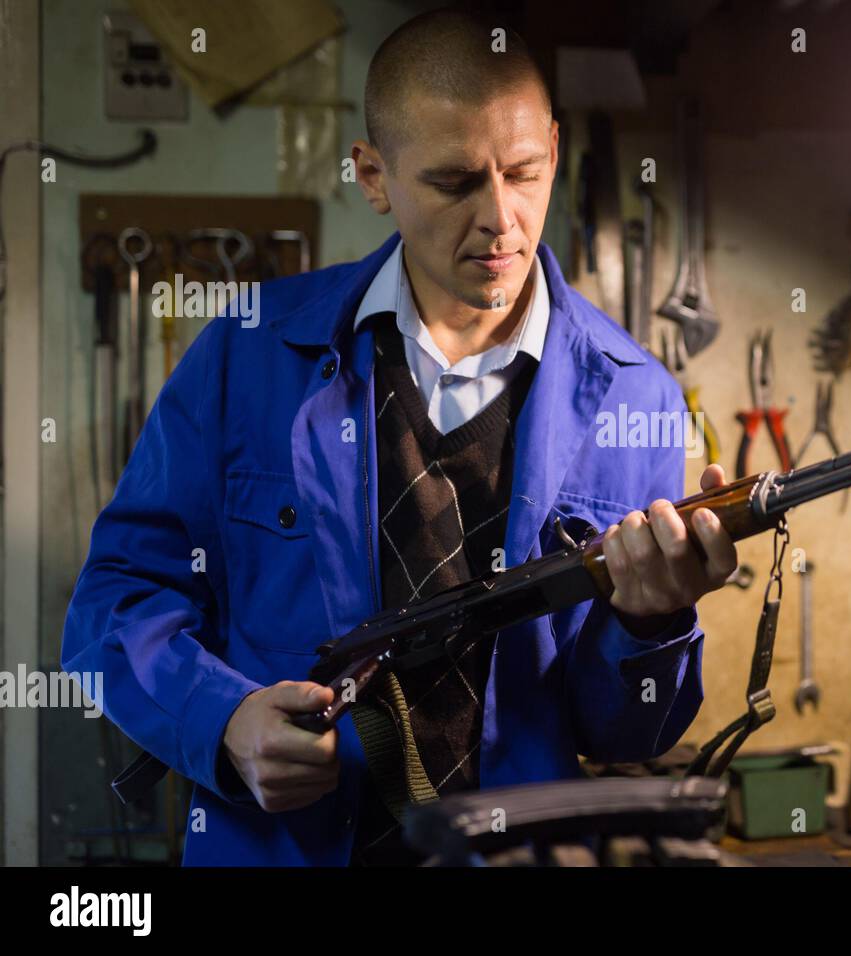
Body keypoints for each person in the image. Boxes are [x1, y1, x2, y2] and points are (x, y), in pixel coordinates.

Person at [62, 9, 737, 866]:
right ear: (374, 176)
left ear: (556, 152)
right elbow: (114, 600)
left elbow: (624, 733)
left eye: (525, 173)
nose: (503, 219)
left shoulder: (636, 396)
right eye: (456, 183)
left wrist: (652, 623)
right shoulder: (247, 353)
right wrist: (222, 721)